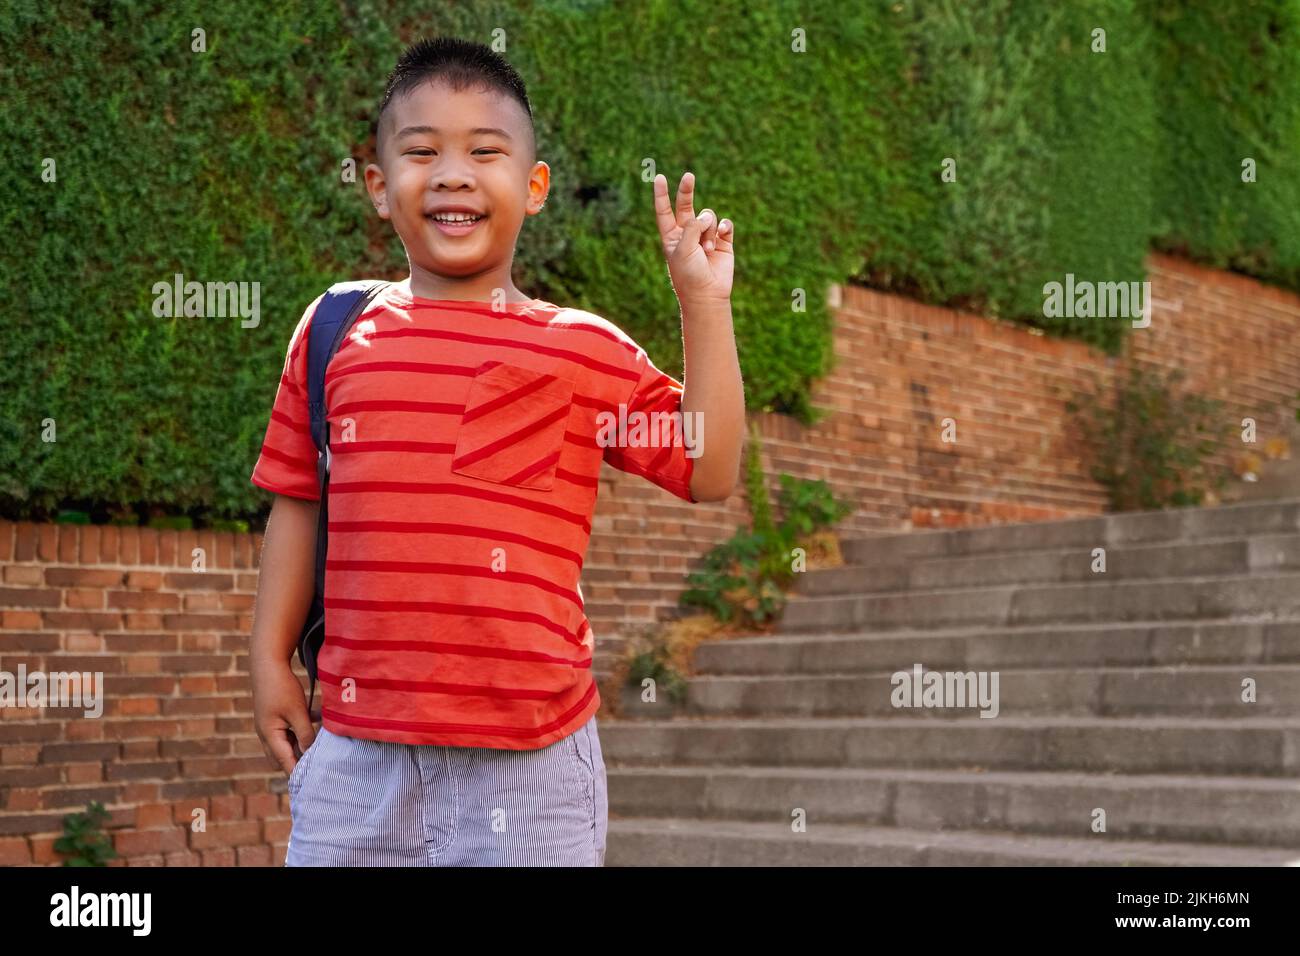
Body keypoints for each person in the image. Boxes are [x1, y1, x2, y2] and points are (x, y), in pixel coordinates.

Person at [248, 35, 744, 866]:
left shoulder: (582, 349)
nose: (452, 174)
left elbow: (710, 469)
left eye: (485, 151)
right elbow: (297, 502)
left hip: (536, 772)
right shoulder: (334, 331)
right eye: (420, 152)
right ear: (378, 187)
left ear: (534, 186)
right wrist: (268, 658)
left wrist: (701, 303)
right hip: (358, 762)